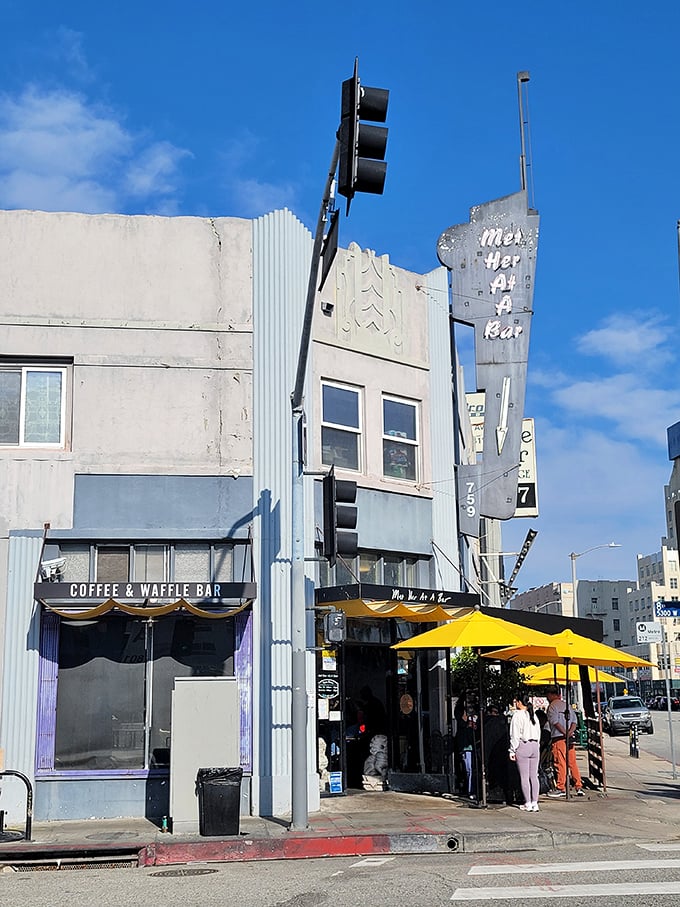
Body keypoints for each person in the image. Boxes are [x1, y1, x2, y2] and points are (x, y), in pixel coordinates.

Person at [545, 686, 584, 797]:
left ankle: (560, 787)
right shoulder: (567, 705)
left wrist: (564, 733)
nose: (547, 697)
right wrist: (570, 732)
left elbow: (555, 722)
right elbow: (574, 722)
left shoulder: (552, 707)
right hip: (569, 738)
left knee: (560, 762)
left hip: (558, 738)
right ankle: (578, 786)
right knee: (572, 762)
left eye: (547, 695)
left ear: (551, 694)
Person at [508, 693, 541, 811]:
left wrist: (512, 750)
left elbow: (514, 735)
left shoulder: (517, 716)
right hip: (535, 746)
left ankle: (527, 802)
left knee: (524, 776)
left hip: (523, 745)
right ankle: (535, 802)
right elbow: (539, 732)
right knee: (534, 776)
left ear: (519, 702)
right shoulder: (533, 715)